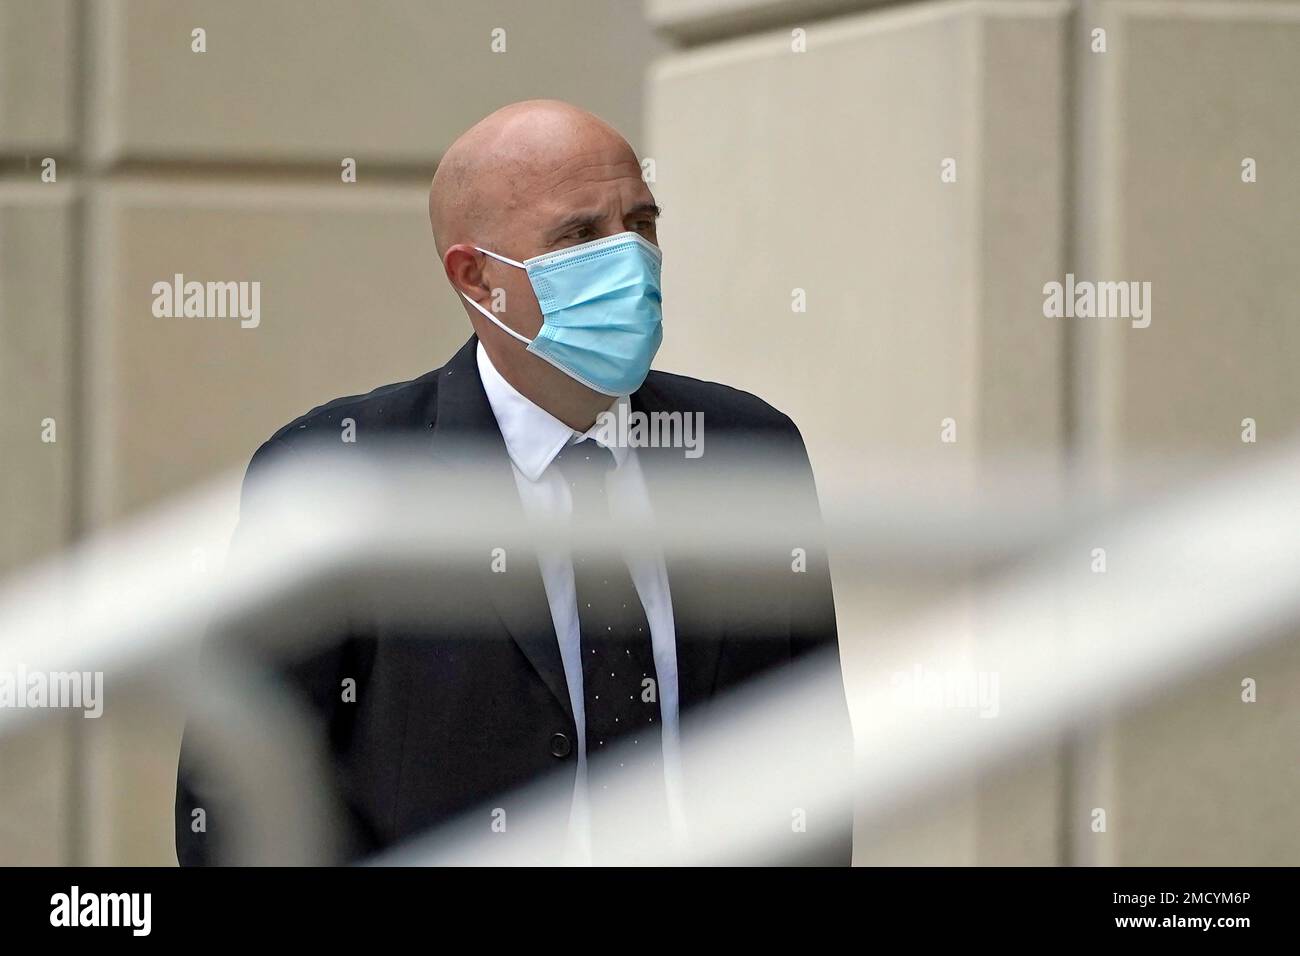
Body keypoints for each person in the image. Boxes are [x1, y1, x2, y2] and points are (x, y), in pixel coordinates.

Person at [175, 100, 852, 865]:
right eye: (580, 235)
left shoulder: (747, 452)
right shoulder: (342, 476)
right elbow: (236, 799)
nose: (630, 257)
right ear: (475, 276)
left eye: (642, 222)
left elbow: (809, 758)